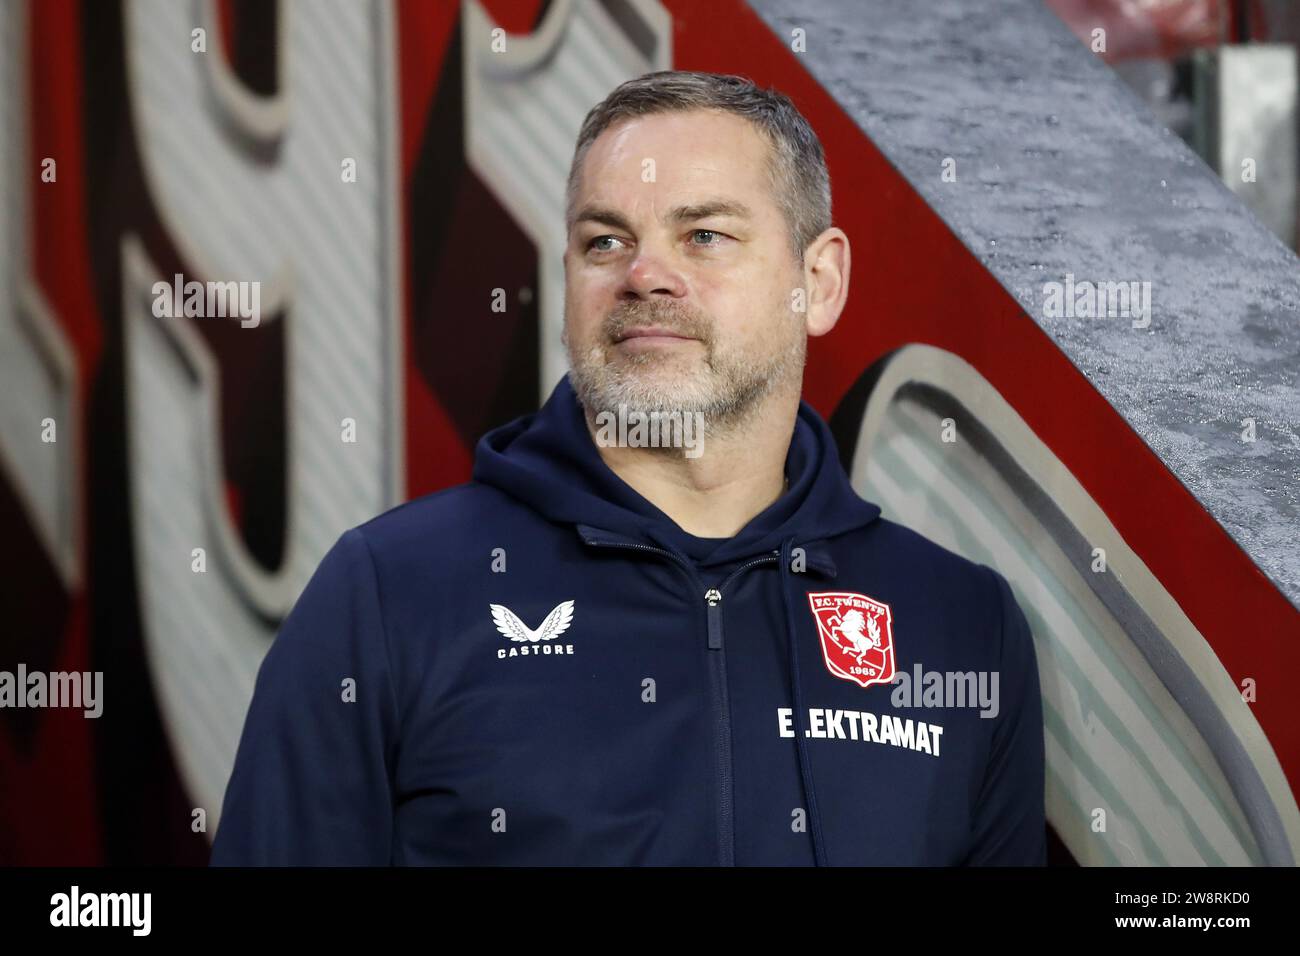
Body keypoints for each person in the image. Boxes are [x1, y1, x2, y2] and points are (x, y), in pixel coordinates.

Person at [210, 70, 1046, 866]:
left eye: (705, 235)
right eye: (605, 240)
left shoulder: (960, 622)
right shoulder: (387, 594)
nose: (645, 275)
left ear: (817, 281)